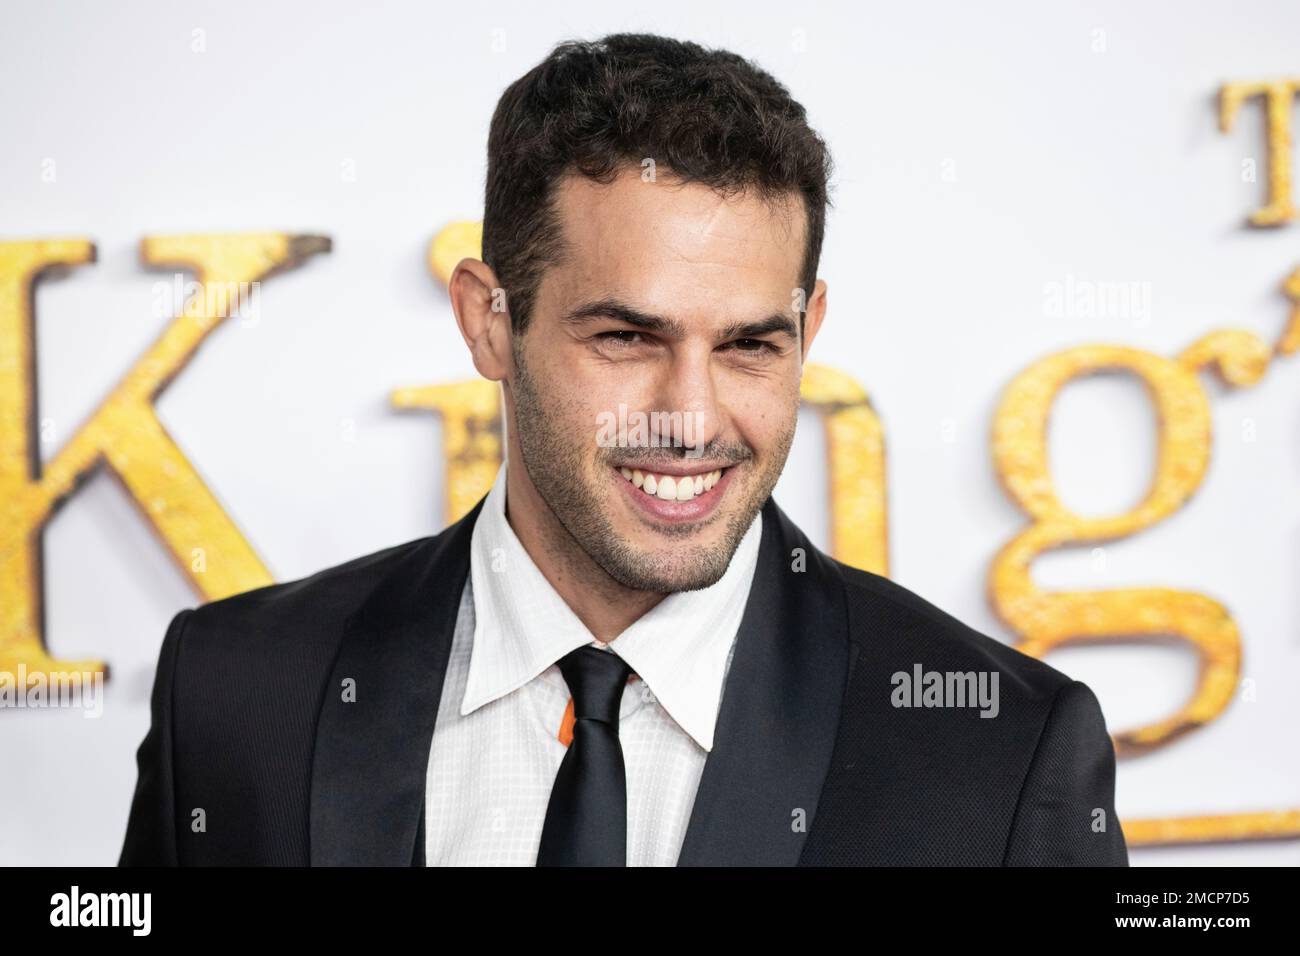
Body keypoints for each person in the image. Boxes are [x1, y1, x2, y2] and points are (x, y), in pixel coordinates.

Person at [120, 32, 1127, 866]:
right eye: (626, 337)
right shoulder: (234, 693)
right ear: (486, 320)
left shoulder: (1000, 753)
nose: (690, 417)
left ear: (806, 334)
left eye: (748, 344)